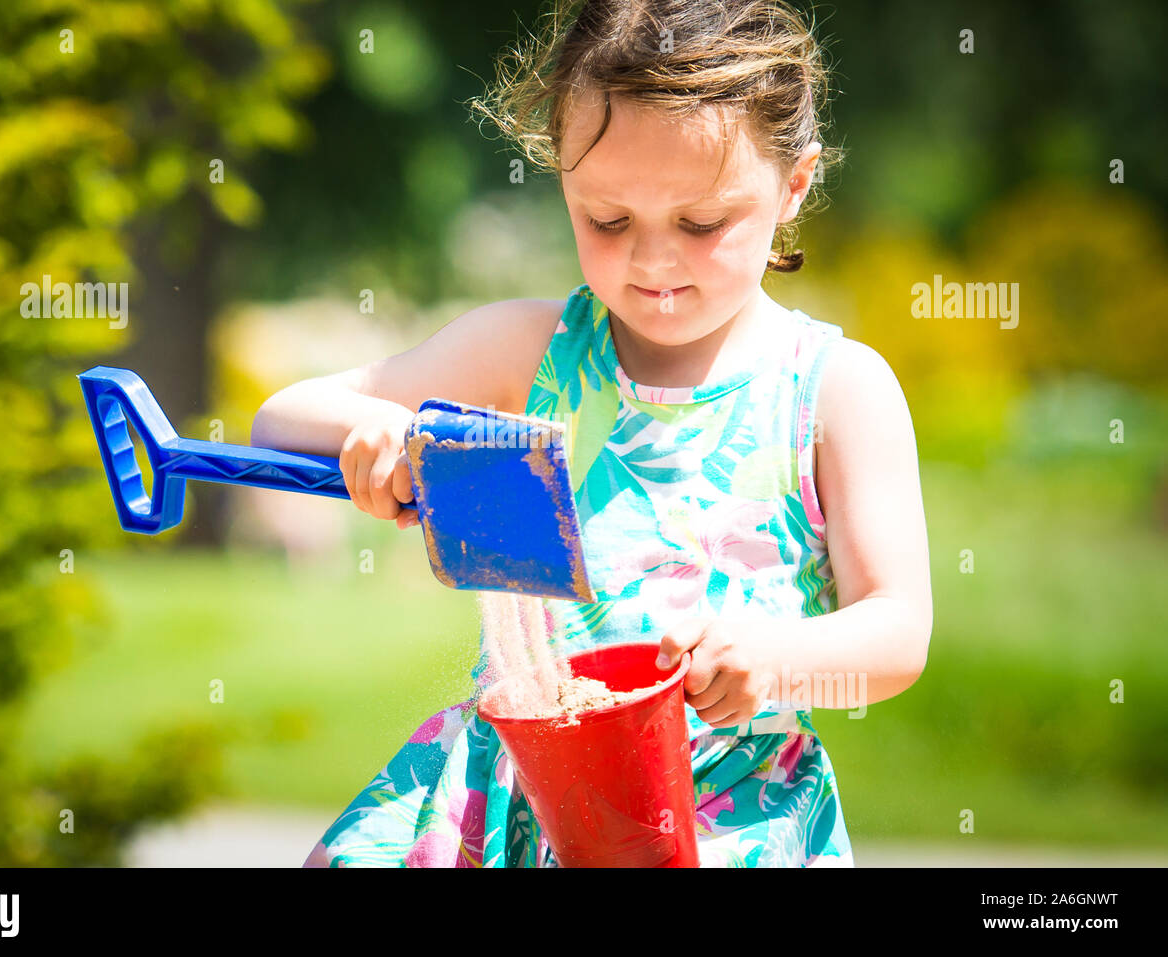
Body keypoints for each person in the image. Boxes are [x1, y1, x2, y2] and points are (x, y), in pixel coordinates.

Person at [252, 0, 931, 867]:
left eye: (701, 223)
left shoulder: (832, 390)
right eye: (607, 221)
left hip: (724, 813)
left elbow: (897, 630)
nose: (652, 262)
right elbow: (283, 418)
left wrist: (776, 656)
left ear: (793, 187)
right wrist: (382, 430)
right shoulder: (531, 354)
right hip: (514, 799)